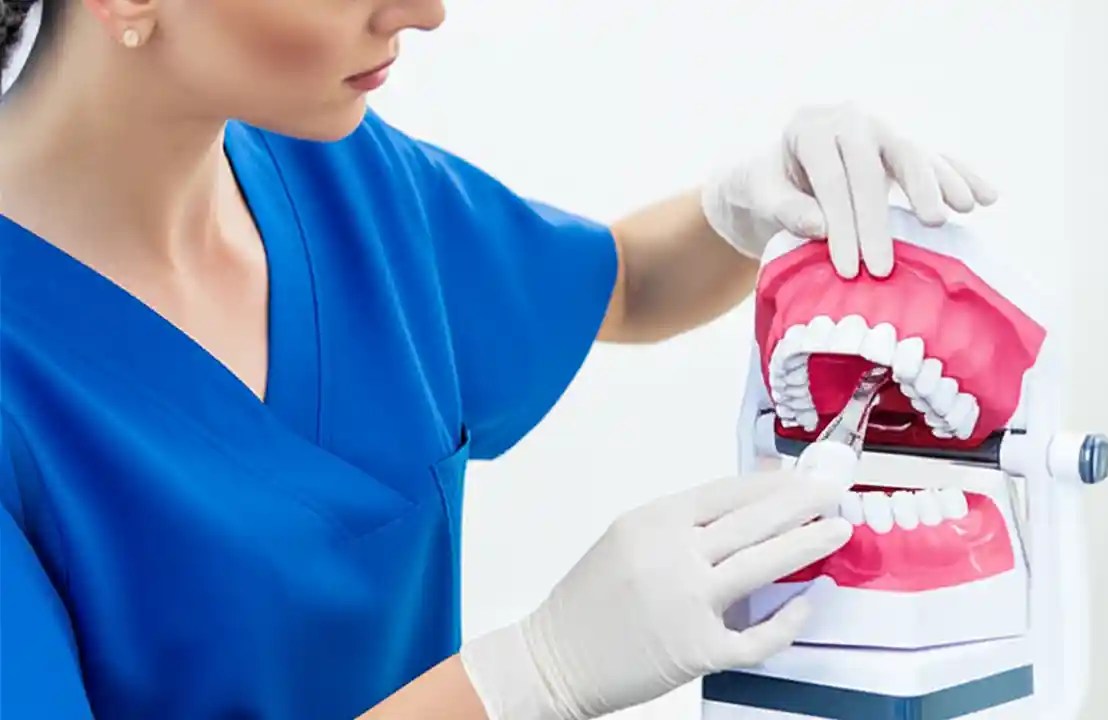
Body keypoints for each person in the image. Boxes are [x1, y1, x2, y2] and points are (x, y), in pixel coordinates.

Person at [0, 1, 998, 718]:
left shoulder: (341, 179)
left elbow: (627, 286)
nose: (427, 12)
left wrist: (744, 209)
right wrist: (532, 674)